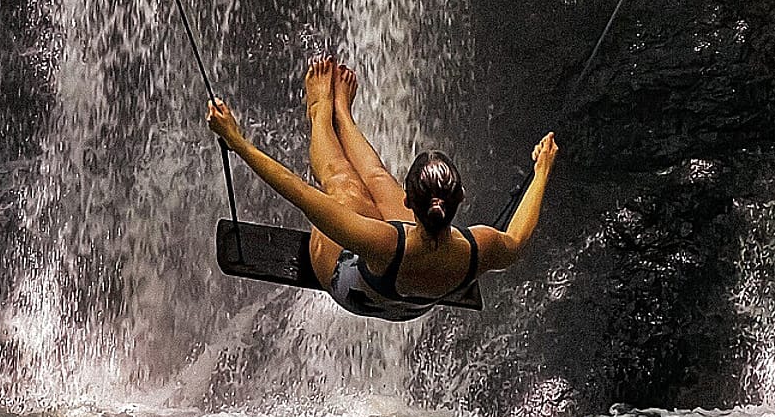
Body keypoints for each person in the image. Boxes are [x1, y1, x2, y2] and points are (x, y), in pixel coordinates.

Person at [205, 57, 557, 319]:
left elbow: (298, 191)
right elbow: (517, 239)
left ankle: (320, 110)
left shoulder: (383, 242)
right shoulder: (480, 246)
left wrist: (236, 140)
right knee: (376, 178)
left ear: (409, 200)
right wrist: (541, 171)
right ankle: (343, 112)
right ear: (459, 198)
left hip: (356, 289)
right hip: (414, 306)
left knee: (344, 187)